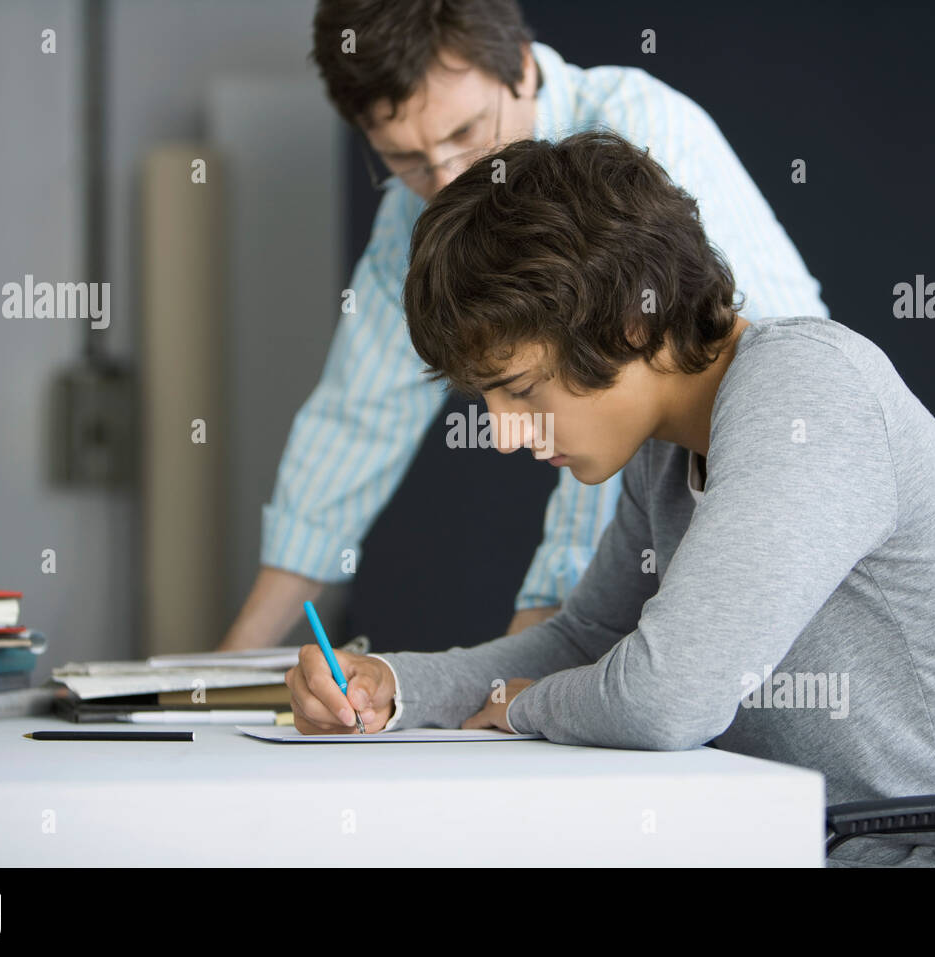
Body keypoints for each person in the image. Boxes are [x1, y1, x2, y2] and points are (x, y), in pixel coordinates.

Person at [284, 131, 935, 868]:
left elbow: (664, 700)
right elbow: (589, 639)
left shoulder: (806, 393)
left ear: (630, 323)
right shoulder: (663, 450)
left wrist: (525, 707)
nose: (502, 435)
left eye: (519, 389)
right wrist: (393, 686)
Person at [220, 0, 828, 649]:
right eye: (408, 159)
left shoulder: (640, 132)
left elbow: (619, 398)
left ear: (521, 65)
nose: (448, 177)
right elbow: (354, 420)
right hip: (647, 561)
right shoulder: (420, 207)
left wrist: (534, 644)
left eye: (466, 133)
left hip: (778, 519)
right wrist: (228, 666)